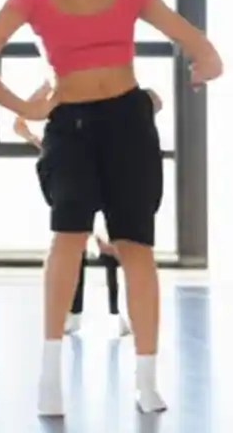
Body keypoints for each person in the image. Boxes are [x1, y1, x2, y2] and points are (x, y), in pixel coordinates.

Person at [0, 0, 222, 416]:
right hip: (76, 126)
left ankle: (144, 379)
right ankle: (52, 376)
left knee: (124, 245)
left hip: (124, 122)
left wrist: (24, 105)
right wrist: (204, 64)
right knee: (76, 238)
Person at [13, 83, 163, 339]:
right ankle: (77, 313)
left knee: (113, 244)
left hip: (103, 160)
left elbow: (154, 103)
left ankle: (115, 313)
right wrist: (44, 143)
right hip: (71, 162)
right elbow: (20, 122)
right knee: (75, 240)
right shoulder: (54, 85)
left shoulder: (121, 87)